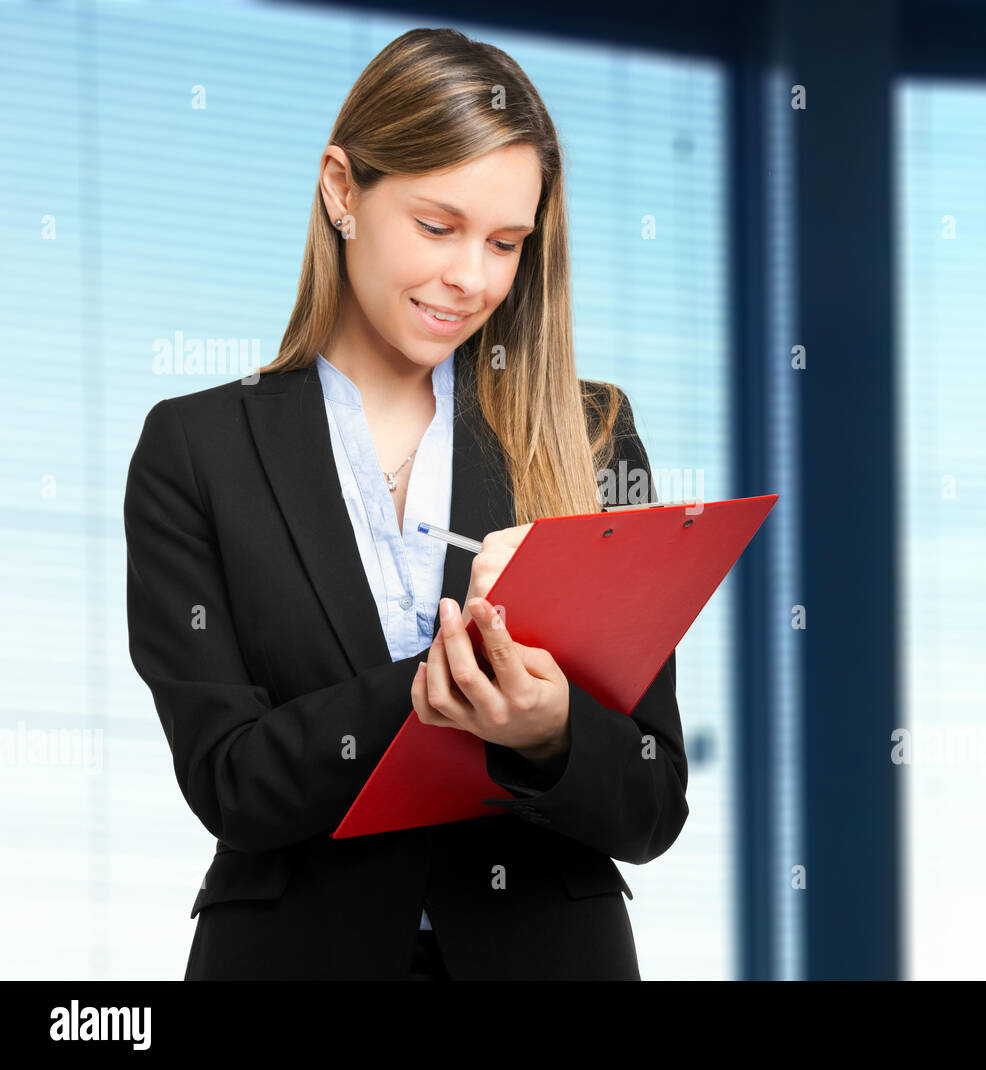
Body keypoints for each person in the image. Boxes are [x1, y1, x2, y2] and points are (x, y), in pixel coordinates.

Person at [122, 27, 688, 981]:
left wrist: (548, 732)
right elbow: (231, 779)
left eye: (506, 243)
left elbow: (652, 800)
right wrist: (442, 685)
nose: (471, 278)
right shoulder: (196, 450)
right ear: (343, 190)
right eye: (438, 227)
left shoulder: (589, 432)